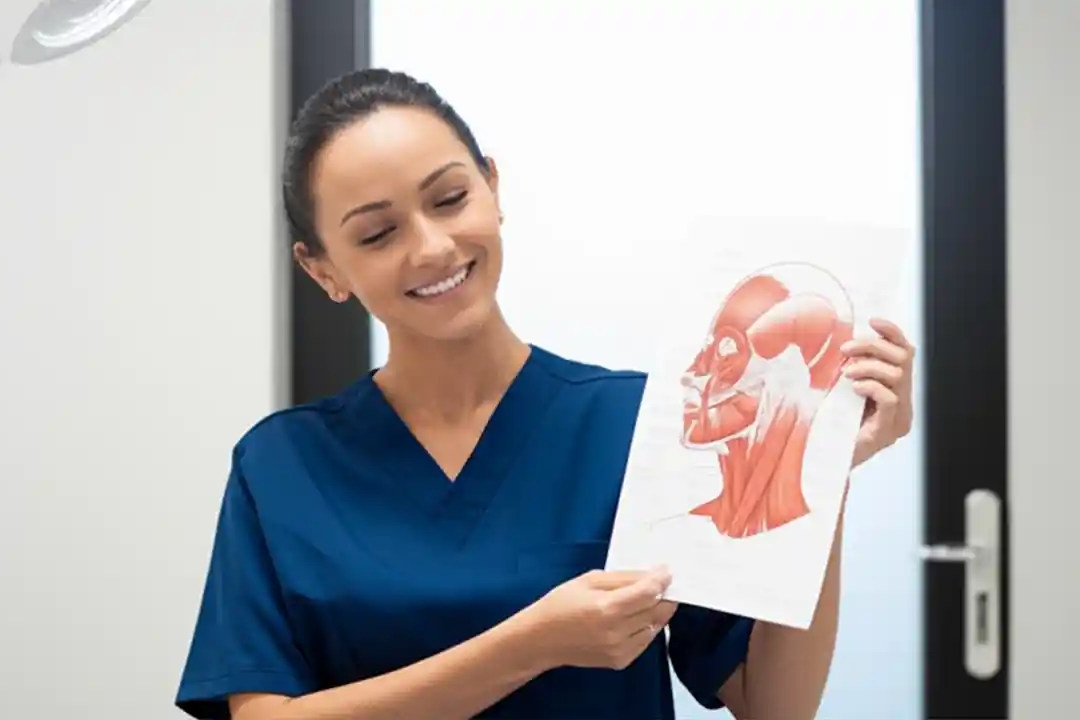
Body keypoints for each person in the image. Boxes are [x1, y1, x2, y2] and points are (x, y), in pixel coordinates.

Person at [174, 68, 916, 720]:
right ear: (323, 271)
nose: (431, 247)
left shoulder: (643, 426)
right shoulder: (281, 466)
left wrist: (818, 471)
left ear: (493, 189)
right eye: (376, 234)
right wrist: (531, 645)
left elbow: (775, 707)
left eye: (451, 197)